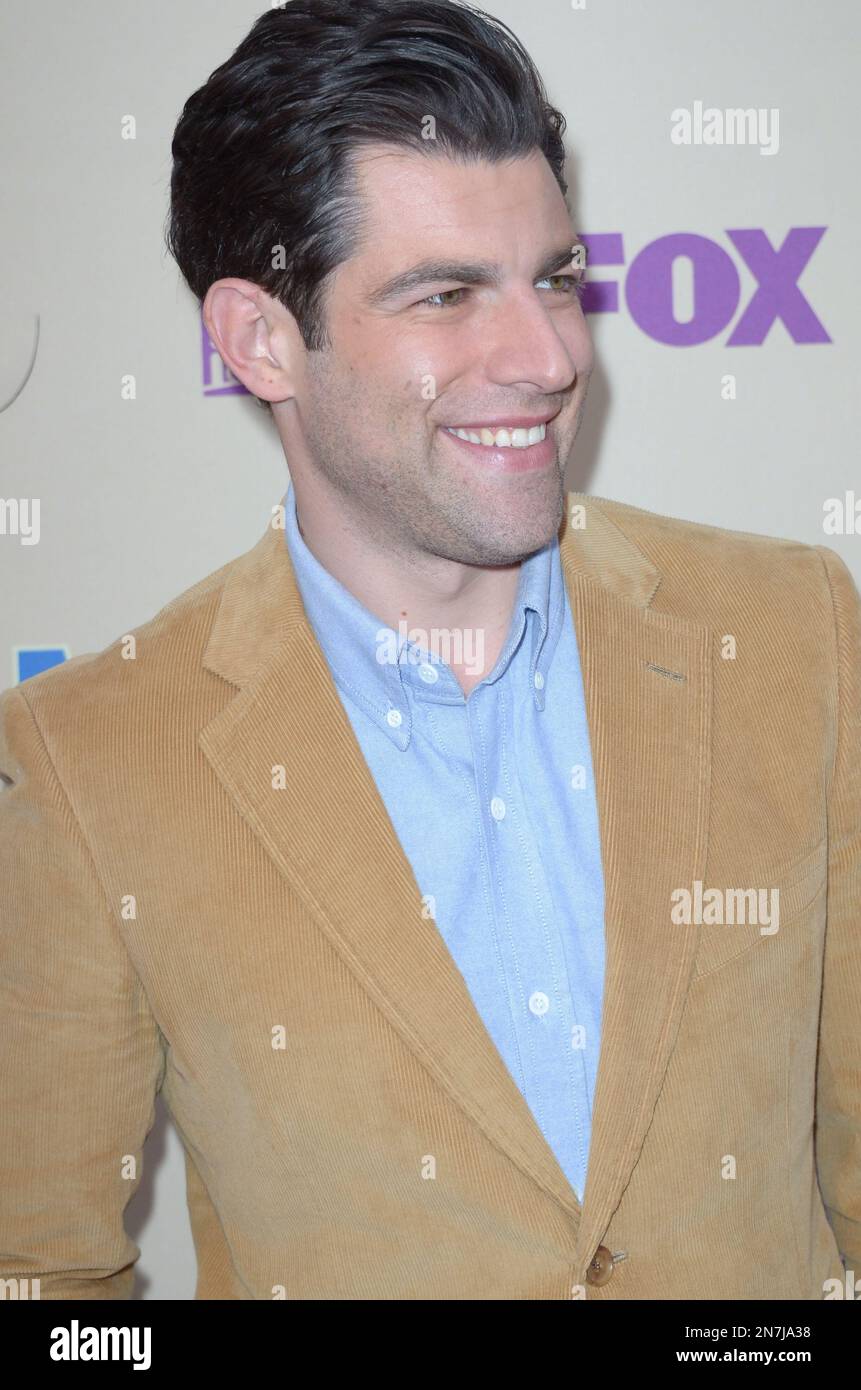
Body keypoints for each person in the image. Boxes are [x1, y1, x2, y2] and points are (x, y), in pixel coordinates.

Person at [1, 0, 858, 1301]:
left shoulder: (790, 628)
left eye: (555, 278)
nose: (550, 355)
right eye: (446, 293)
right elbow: (43, 1280)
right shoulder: (87, 759)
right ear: (259, 340)